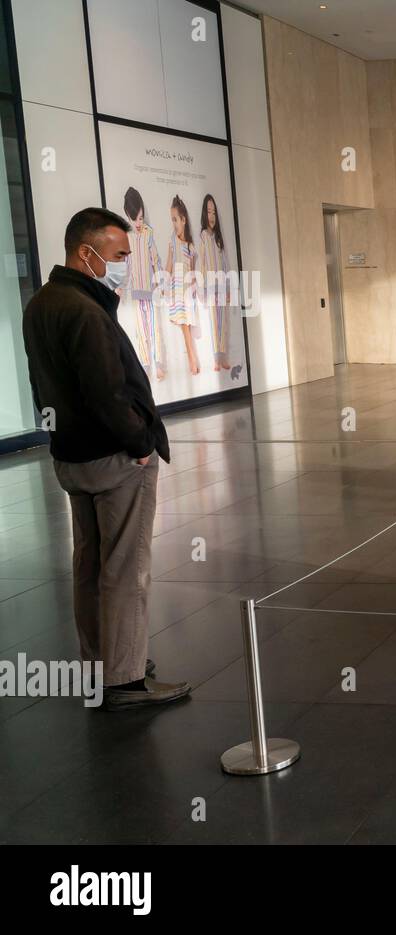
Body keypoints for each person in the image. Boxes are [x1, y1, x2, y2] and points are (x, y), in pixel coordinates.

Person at [21, 207, 190, 710]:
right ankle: (124, 679)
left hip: (72, 456)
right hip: (114, 458)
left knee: (90, 564)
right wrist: (139, 444)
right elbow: (106, 391)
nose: (123, 265)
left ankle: (101, 662)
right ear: (85, 251)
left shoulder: (44, 303)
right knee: (125, 567)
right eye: (118, 255)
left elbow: (46, 385)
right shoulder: (84, 310)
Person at [121, 187, 165, 382]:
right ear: (127, 216)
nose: (139, 222)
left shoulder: (148, 233)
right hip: (136, 290)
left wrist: (160, 282)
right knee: (141, 331)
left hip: (151, 289)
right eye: (135, 218)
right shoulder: (126, 235)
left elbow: (155, 259)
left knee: (155, 329)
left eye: (141, 217)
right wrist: (121, 287)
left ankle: (158, 365)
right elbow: (125, 264)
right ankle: (146, 366)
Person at [164, 195, 200, 375]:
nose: (174, 224)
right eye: (172, 220)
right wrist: (164, 285)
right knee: (185, 326)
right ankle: (192, 360)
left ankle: (193, 359)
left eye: (176, 219)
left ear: (184, 220)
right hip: (177, 289)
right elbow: (169, 265)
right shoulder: (173, 242)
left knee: (187, 325)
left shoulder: (190, 246)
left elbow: (192, 272)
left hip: (187, 291)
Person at [196, 193, 233, 371]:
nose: (211, 216)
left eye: (214, 212)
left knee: (223, 323)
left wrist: (228, 289)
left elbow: (225, 263)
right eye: (209, 212)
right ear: (205, 214)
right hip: (210, 288)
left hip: (221, 286)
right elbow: (201, 263)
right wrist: (201, 289)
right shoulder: (203, 235)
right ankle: (216, 359)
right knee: (214, 323)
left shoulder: (218, 238)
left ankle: (223, 357)